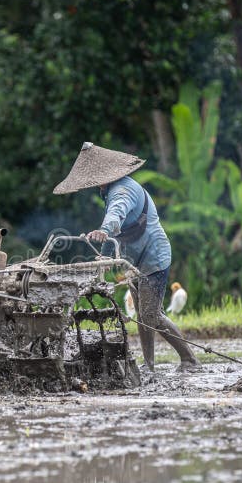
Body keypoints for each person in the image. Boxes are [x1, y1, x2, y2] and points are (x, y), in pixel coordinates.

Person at [53, 142, 200, 373]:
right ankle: (149, 365)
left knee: (152, 315)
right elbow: (120, 233)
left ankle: (190, 360)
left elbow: (116, 215)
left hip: (153, 258)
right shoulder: (109, 191)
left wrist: (104, 229)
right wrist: (104, 254)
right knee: (143, 315)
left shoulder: (122, 190)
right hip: (133, 261)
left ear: (104, 175)